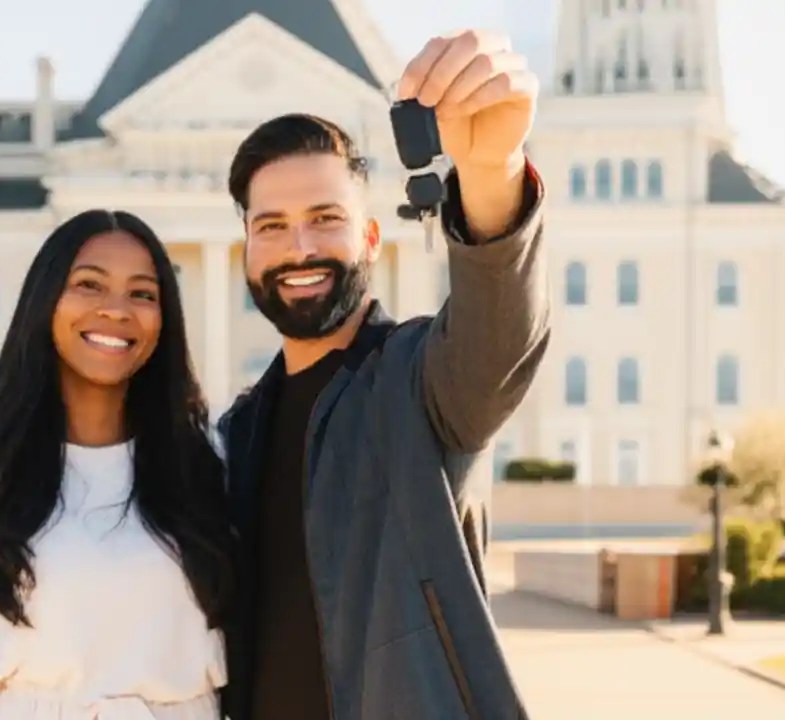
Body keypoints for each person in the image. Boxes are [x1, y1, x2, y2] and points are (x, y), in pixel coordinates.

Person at [218, 30, 549, 720]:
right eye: (271, 226)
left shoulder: (420, 385)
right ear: (246, 250)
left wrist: (492, 170)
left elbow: (499, 338)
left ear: (369, 239)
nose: (299, 247)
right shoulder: (234, 435)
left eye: (325, 218)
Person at [0, 209, 235, 719]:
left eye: (143, 294)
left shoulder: (208, 460)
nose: (116, 310)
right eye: (89, 285)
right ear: (46, 301)